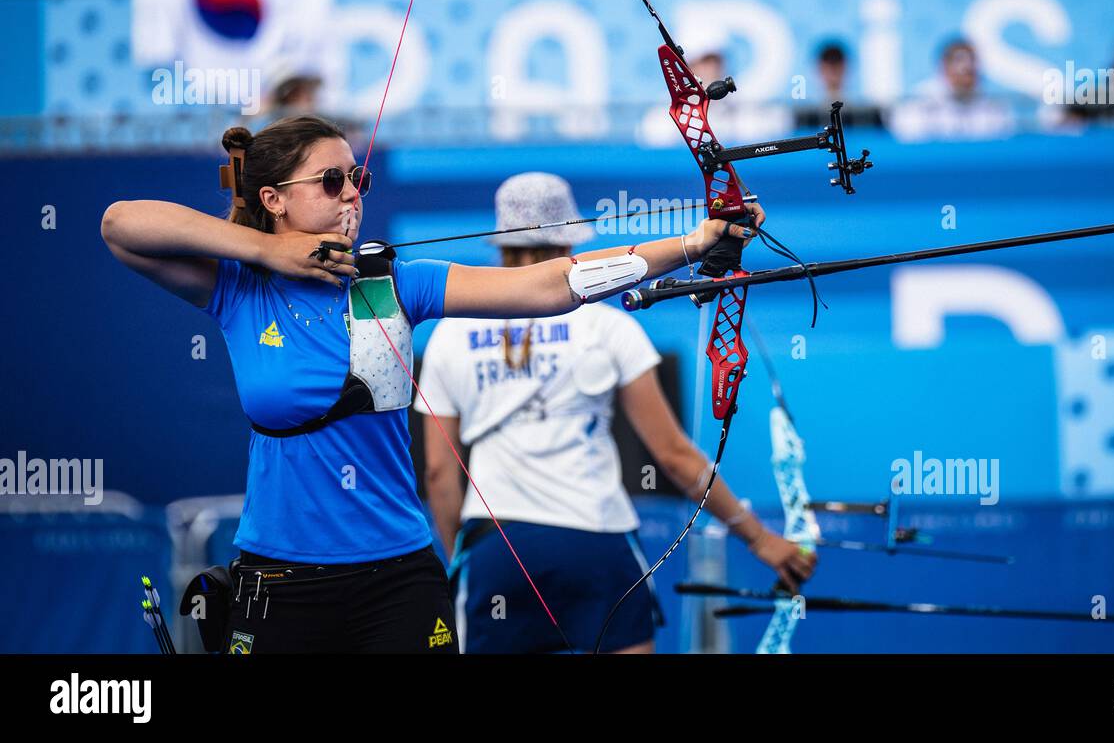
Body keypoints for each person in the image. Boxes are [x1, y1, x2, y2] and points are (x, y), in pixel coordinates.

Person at [99, 115, 763, 653]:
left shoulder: (391, 285)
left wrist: (693, 243)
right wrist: (268, 252)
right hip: (279, 574)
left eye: (355, 177)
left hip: (399, 577)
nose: (353, 193)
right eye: (330, 182)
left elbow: (551, 284)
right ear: (273, 200)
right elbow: (121, 225)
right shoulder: (238, 292)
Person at [418, 173, 816, 653]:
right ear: (568, 239)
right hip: (595, 542)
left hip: (496, 545)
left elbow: (440, 473)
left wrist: (463, 555)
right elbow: (673, 456)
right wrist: (758, 539)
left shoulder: (449, 335)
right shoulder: (607, 325)